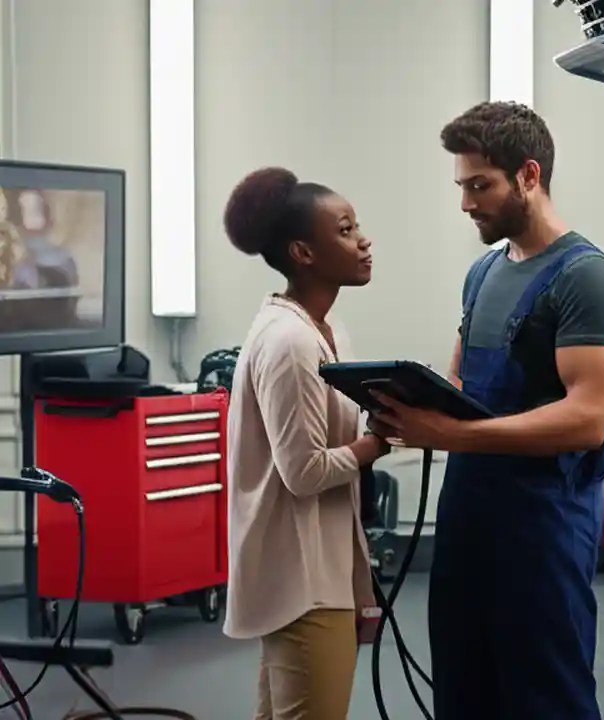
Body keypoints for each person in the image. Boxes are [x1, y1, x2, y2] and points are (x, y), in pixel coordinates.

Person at [368, 101, 604, 720]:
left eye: (480, 186)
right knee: (465, 687)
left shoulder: (586, 279)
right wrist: (407, 402)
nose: (466, 203)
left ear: (529, 176)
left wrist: (452, 434)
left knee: (545, 695)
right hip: (469, 517)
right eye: (461, 186)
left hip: (543, 526)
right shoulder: (484, 271)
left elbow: (587, 419)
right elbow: (461, 376)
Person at [221, 166, 390, 720]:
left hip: (320, 566)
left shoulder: (327, 330)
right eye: (345, 229)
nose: (363, 239)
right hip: (302, 584)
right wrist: (379, 441)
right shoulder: (291, 340)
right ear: (303, 252)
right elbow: (304, 472)